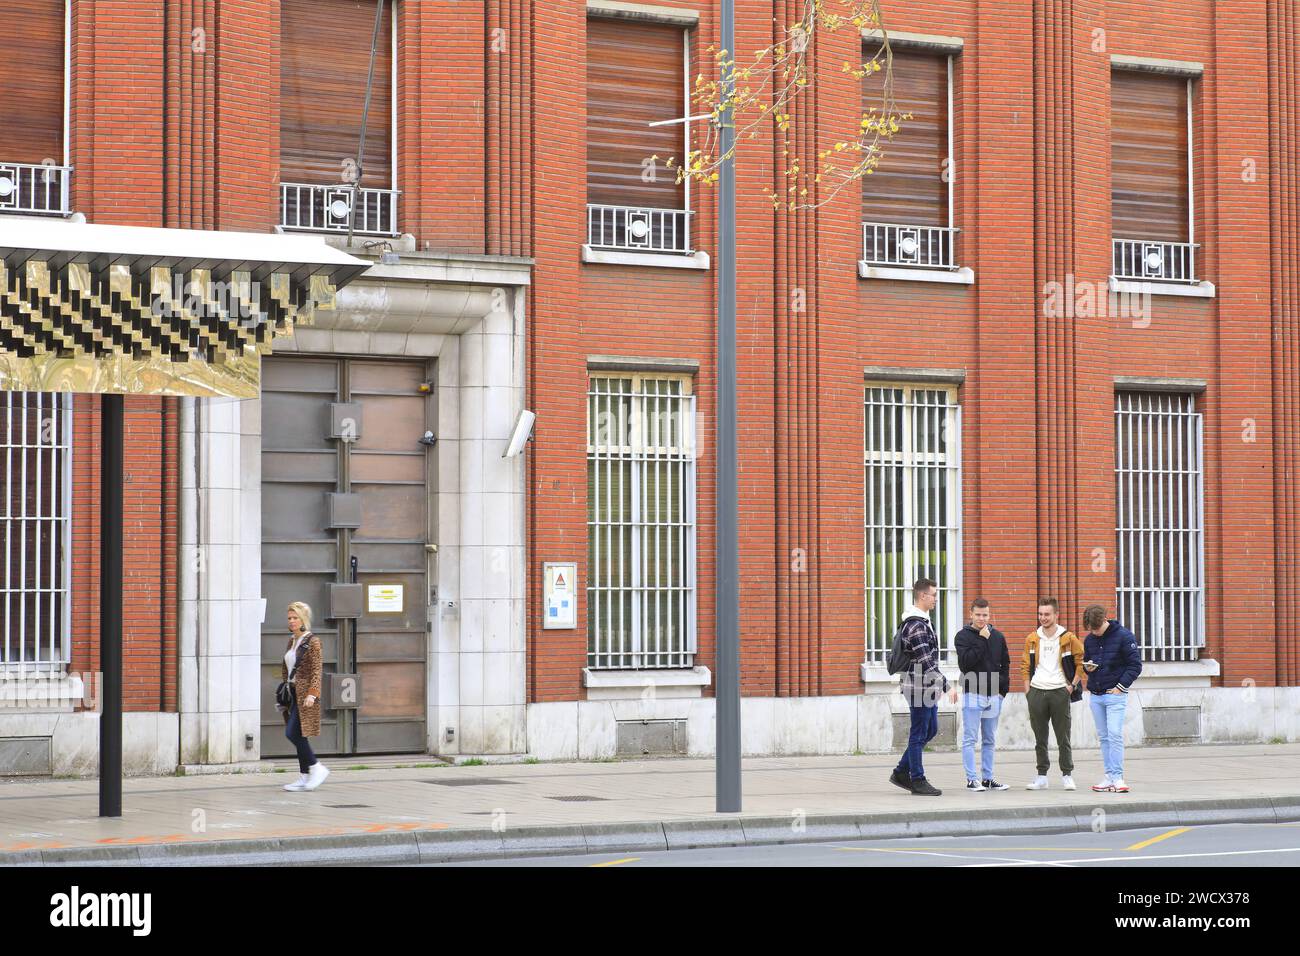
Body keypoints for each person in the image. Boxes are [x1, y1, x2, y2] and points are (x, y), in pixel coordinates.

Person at [889, 578, 959, 797]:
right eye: (934, 595)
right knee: (919, 733)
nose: (936, 599)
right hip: (918, 687)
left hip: (927, 687)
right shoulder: (916, 625)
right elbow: (926, 661)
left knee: (930, 729)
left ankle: (901, 771)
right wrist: (948, 687)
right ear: (922, 596)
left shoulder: (924, 621)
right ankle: (917, 779)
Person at [1021, 597, 1085, 791]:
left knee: (1063, 737)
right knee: (1040, 738)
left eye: (1047, 614)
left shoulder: (1068, 637)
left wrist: (1071, 686)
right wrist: (1027, 690)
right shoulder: (1032, 637)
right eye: (1040, 614)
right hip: (1037, 691)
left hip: (1059, 691)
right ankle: (1042, 776)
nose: (1043, 618)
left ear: (1056, 614)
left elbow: (1080, 662)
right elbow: (1025, 665)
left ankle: (1067, 775)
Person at [1081, 604, 1143, 793]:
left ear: (1104, 621)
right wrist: (1087, 668)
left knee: (1114, 735)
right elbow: (1088, 661)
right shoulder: (1090, 639)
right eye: (1091, 630)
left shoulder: (1124, 636)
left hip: (1115, 694)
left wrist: (1120, 687)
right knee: (1104, 737)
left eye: (1096, 629)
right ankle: (1109, 776)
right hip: (1096, 694)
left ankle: (1118, 777)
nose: (1094, 633)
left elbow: (1135, 665)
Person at [955, 598, 1010, 792]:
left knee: (989, 739)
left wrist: (1003, 692)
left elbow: (1005, 664)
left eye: (985, 614)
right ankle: (972, 779)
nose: (981, 618)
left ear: (989, 614)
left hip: (994, 695)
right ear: (971, 614)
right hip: (973, 694)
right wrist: (981, 639)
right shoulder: (963, 637)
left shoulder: (998, 636)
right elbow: (966, 664)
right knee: (970, 739)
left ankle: (987, 778)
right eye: (978, 614)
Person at [279, 601, 329, 792]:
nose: (291, 621)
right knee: (298, 734)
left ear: (303, 619)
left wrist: (313, 694)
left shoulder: (313, 641)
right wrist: (284, 694)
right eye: (289, 618)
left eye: (295, 618)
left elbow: (317, 670)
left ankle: (317, 768)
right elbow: (288, 669)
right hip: (292, 694)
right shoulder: (292, 641)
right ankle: (305, 775)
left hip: (305, 695)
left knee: (292, 733)